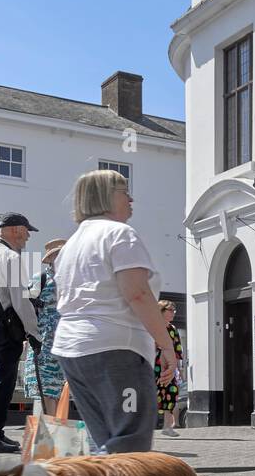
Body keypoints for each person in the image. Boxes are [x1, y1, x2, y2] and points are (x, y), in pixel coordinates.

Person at [51, 169, 175, 454]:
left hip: (73, 348)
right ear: (105, 197)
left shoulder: (71, 246)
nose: (131, 199)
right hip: (116, 347)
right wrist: (166, 346)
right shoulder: (119, 234)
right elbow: (138, 294)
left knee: (105, 439)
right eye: (124, 191)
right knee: (131, 442)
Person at [0, 212, 40, 453]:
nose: (27, 239)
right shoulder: (10, 258)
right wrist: (34, 332)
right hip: (5, 326)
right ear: (16, 230)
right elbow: (21, 300)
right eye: (26, 232)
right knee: (3, 381)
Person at [22, 238, 66, 416]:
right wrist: (29, 334)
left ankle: (52, 436)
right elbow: (24, 307)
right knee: (46, 393)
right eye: (58, 255)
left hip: (66, 344)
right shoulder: (38, 279)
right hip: (44, 343)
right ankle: (49, 436)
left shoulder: (75, 279)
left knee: (60, 394)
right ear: (51, 258)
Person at [156, 299, 183, 436]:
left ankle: (167, 427)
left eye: (174, 310)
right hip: (155, 365)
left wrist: (179, 369)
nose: (173, 313)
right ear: (161, 311)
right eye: (170, 310)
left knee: (171, 394)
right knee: (153, 394)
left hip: (170, 367)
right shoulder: (153, 326)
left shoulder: (173, 329)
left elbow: (177, 350)